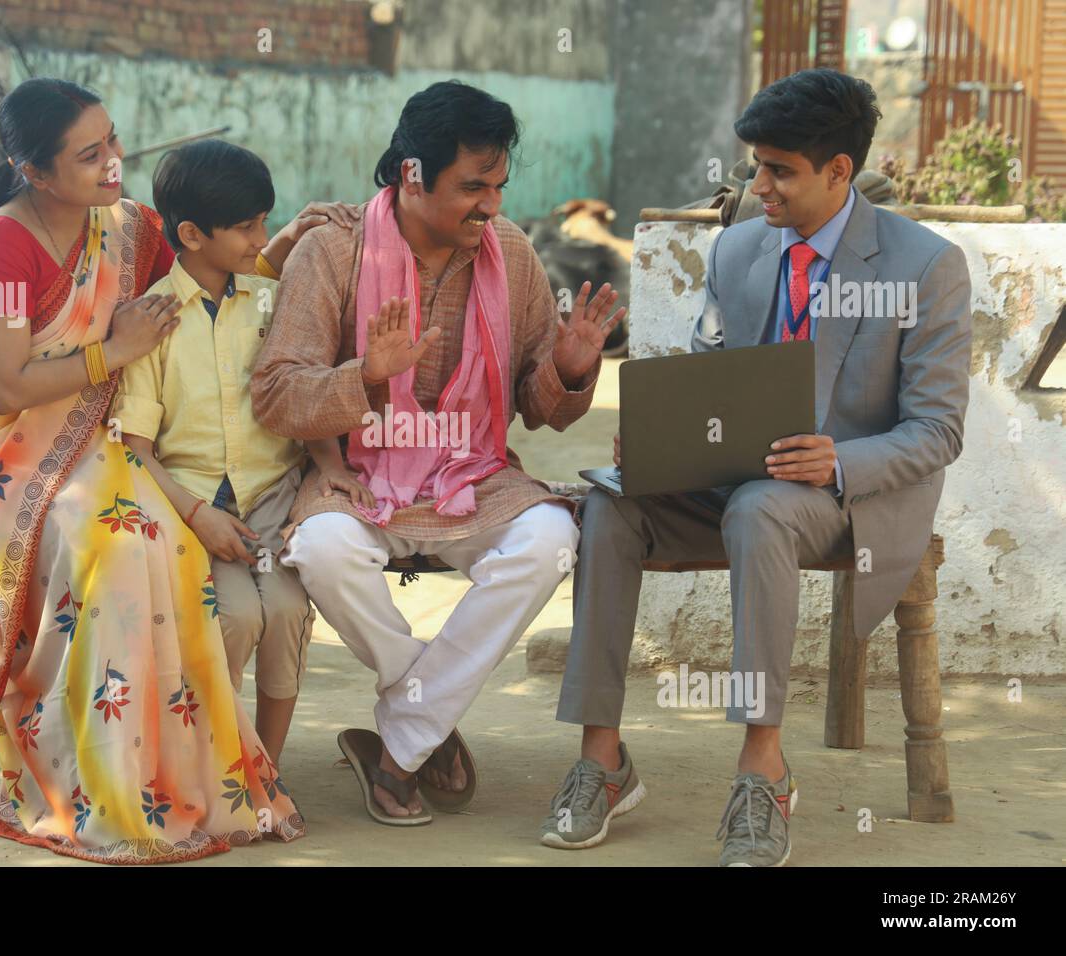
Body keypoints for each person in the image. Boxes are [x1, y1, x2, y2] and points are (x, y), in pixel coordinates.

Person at [540, 69, 973, 866]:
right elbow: (712, 373)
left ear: (839, 171)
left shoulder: (925, 267)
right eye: (753, 166)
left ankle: (763, 770)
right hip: (733, 477)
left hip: (849, 495)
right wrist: (662, 440)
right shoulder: (738, 246)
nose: (757, 185)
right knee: (609, 503)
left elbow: (938, 430)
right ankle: (601, 760)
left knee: (761, 509)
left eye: (779, 169)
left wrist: (836, 456)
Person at [0, 77, 302, 864]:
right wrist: (114, 351)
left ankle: (161, 775)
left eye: (113, 140)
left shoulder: (131, 228)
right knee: (114, 548)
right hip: (10, 452)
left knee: (163, 546)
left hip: (99, 437)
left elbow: (218, 264)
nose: (114, 162)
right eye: (89, 153)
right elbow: (5, 388)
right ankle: (89, 780)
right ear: (35, 171)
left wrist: (304, 237)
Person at [251, 80, 624, 826]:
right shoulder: (334, 249)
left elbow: (538, 406)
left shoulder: (510, 253)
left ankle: (401, 741)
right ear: (412, 174)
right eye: (473, 186)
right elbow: (278, 394)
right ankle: (427, 715)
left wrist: (574, 365)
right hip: (356, 475)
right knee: (321, 549)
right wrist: (368, 376)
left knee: (551, 537)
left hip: (471, 474)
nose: (490, 205)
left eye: (498, 186)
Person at [112, 138, 367, 766]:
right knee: (235, 619)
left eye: (265, 220)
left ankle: (266, 773)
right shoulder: (153, 320)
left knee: (282, 612)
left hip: (273, 500)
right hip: (190, 509)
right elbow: (134, 449)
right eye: (248, 226)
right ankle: (210, 768)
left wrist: (331, 467)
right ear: (193, 234)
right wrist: (197, 516)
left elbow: (299, 391)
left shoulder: (273, 299)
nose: (263, 236)